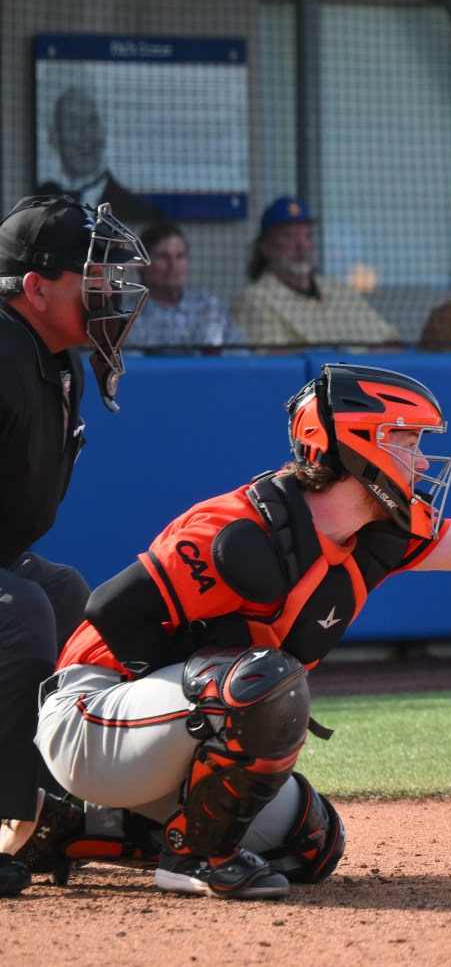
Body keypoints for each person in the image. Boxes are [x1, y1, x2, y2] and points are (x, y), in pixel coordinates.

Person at [18, 362, 451, 899]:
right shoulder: (241, 531)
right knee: (261, 685)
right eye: (408, 440)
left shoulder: (378, 533)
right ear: (358, 442)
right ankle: (192, 856)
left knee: (313, 842)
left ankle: (74, 828)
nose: (423, 461)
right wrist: (213, 691)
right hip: (92, 714)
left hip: (177, 723)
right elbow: (113, 609)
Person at [0, 196, 148, 896]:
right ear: (34, 288)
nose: (107, 289)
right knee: (19, 608)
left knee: (66, 596)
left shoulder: (54, 360)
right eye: (87, 276)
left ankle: (49, 805)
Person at [230, 197, 399, 349]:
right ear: (266, 248)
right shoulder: (254, 300)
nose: (302, 246)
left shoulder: (340, 291)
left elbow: (392, 342)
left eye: (307, 236)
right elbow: (273, 362)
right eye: (289, 237)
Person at [34, 87, 164, 232]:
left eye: (92, 122)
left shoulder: (139, 209)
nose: (86, 135)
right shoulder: (38, 205)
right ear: (54, 138)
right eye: (73, 126)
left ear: (103, 130)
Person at [126, 222, 244, 352]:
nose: (173, 265)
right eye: (163, 257)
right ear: (143, 265)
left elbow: (242, 356)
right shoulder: (128, 316)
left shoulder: (211, 306)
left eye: (180, 256)